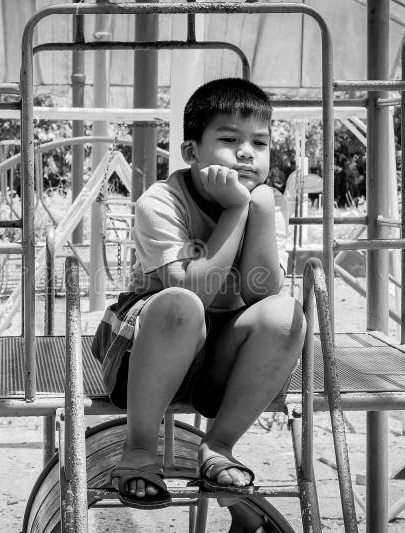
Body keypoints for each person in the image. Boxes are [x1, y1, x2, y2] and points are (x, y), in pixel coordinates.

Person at [91, 78, 306, 524]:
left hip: (219, 364)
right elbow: (193, 292)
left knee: (287, 316)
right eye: (229, 139)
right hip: (147, 354)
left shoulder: (266, 203)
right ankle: (138, 450)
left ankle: (220, 445)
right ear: (192, 152)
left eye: (259, 142)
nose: (247, 152)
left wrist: (256, 208)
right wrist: (234, 211)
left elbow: (260, 292)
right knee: (180, 306)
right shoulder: (161, 201)